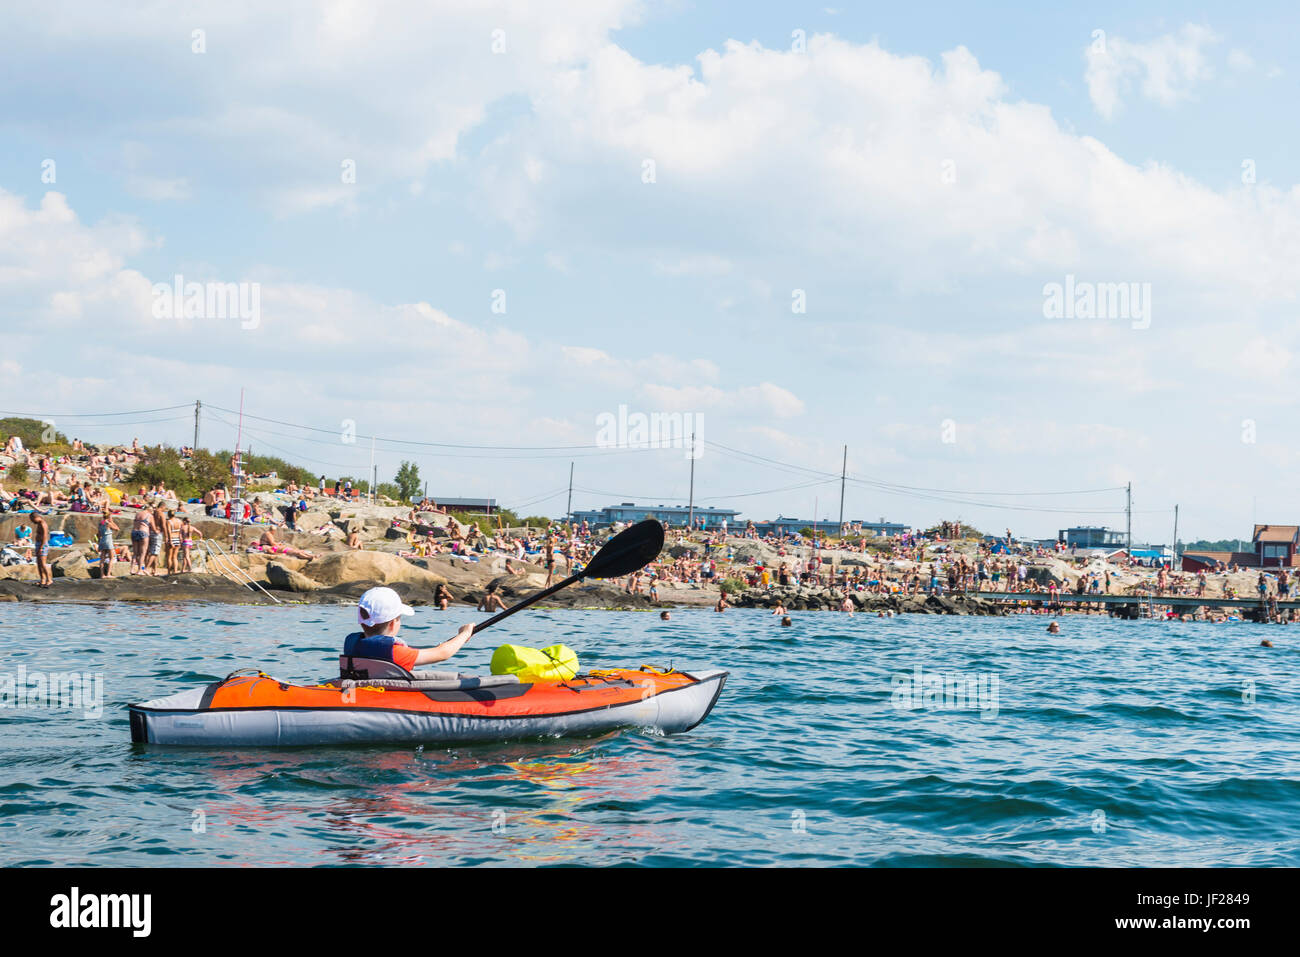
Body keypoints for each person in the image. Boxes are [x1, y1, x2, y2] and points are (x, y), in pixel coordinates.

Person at [342, 586, 475, 671]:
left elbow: (413, 650)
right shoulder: (394, 652)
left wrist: (441, 645)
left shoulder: (352, 643)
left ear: (362, 622)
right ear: (393, 623)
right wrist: (465, 633)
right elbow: (443, 654)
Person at [97, 508, 119, 578]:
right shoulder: (108, 523)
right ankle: (108, 574)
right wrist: (112, 521)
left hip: (102, 540)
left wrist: (99, 542)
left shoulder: (100, 523)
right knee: (112, 558)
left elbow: (98, 534)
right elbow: (117, 529)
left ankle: (102, 575)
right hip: (108, 540)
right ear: (109, 517)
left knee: (102, 559)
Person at [32, 513, 52, 587]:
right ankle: (42, 580)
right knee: (39, 563)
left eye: (32, 519)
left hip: (42, 545)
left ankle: (49, 579)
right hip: (38, 544)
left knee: (43, 563)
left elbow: (45, 537)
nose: (32, 521)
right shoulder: (39, 523)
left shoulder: (43, 524)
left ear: (36, 517)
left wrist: (41, 547)